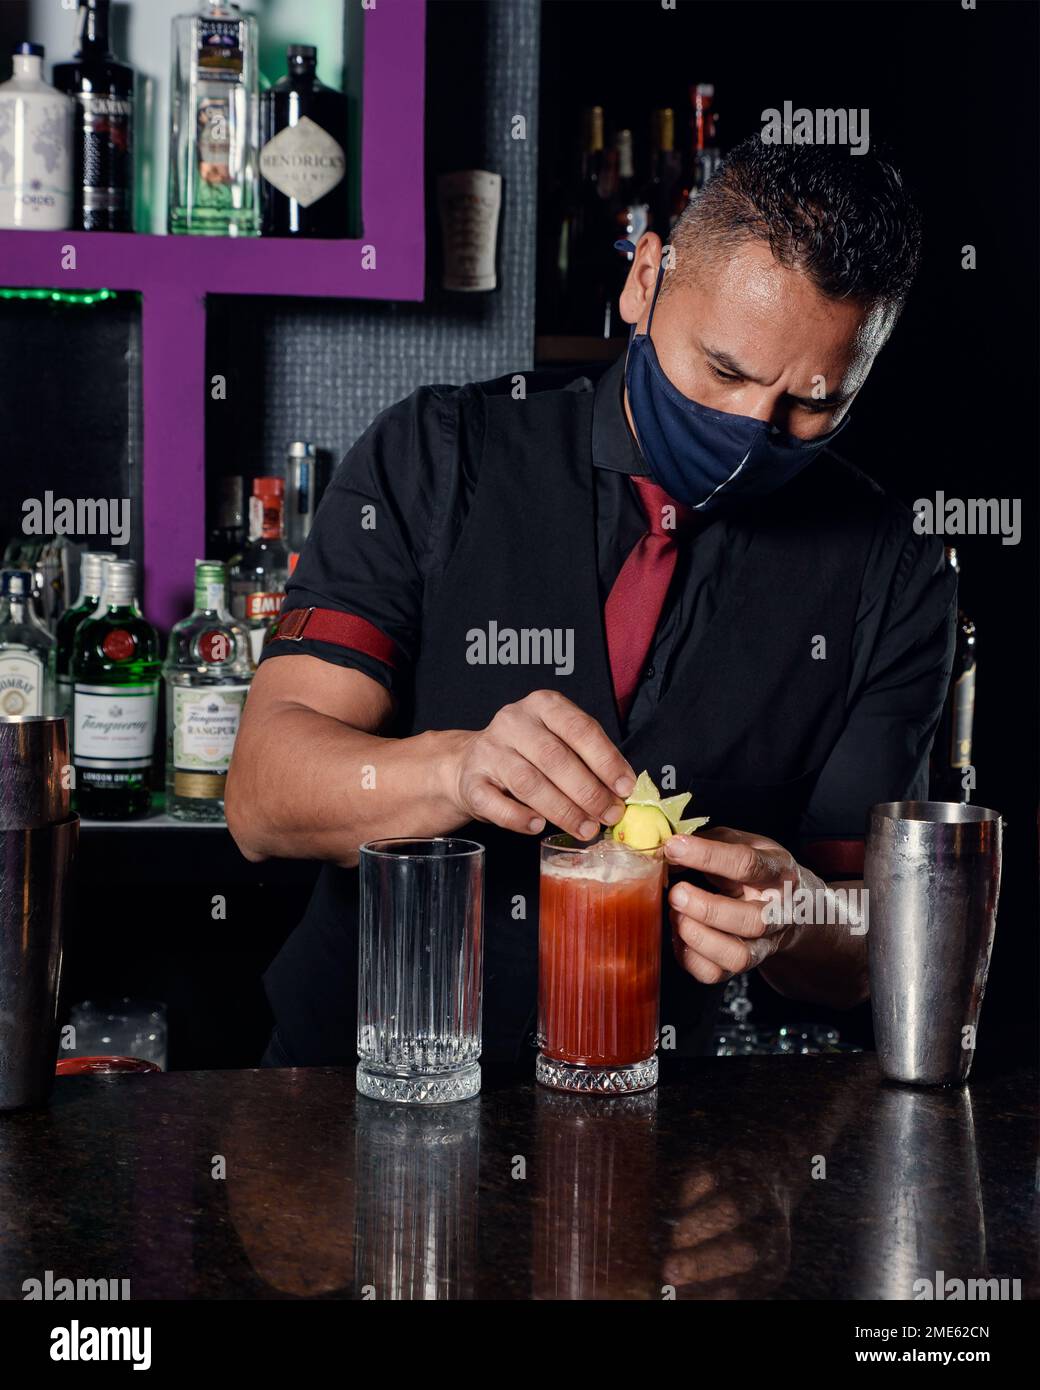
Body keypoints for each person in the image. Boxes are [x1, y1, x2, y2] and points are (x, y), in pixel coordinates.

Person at [226, 136, 955, 1067]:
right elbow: (260, 796)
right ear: (644, 280)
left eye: (811, 404)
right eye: (724, 372)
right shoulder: (439, 455)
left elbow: (865, 940)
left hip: (671, 1127)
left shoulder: (892, 571)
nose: (750, 432)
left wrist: (799, 917)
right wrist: (454, 772)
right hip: (364, 1087)